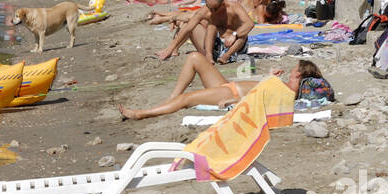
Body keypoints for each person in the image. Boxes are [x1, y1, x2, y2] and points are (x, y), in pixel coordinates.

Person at [117, 56, 328, 121]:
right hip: (228, 86)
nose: (291, 71)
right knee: (195, 58)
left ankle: (141, 114)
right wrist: (270, 78)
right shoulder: (285, 87)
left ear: (298, 74)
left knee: (187, 100)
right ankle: (169, 100)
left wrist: (234, 102)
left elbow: (261, 101)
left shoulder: (287, 93)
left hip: (232, 93)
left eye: (293, 70)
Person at [155, 0, 254, 63]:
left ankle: (226, 56)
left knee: (243, 33)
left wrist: (235, 35)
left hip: (236, 48)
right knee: (203, 26)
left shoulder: (234, 7)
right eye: (209, 7)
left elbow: (250, 24)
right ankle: (209, 56)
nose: (211, 11)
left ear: (223, 5)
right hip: (216, 48)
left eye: (214, 9)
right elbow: (188, 28)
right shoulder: (205, 11)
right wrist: (169, 49)